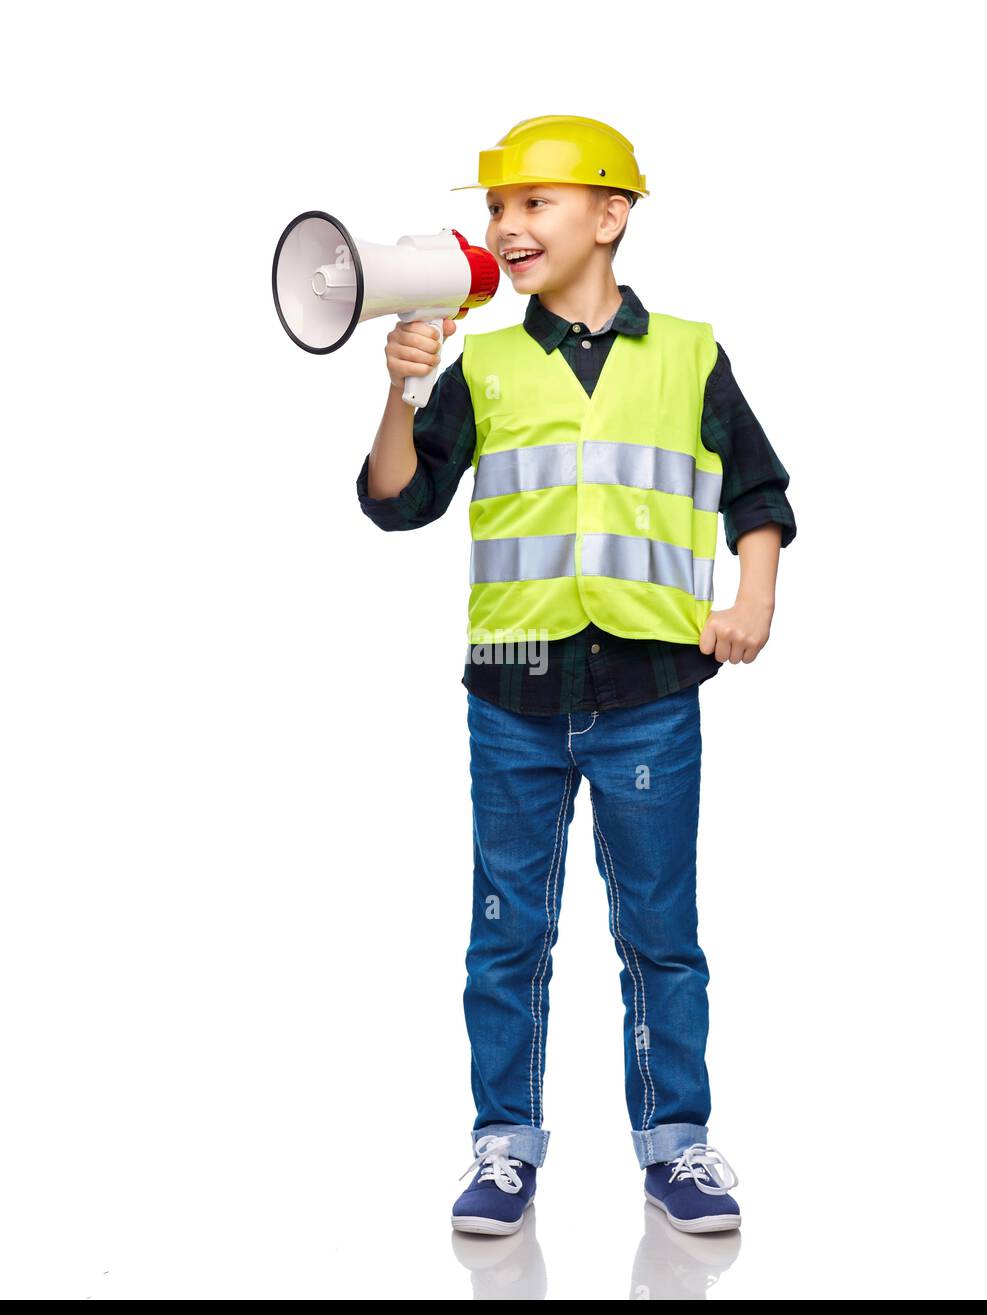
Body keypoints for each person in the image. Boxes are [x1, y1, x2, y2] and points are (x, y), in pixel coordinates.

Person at [356, 116, 796, 1236]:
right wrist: (403, 389)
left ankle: (677, 1146)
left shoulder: (691, 351)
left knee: (660, 931)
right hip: (510, 692)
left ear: (611, 216)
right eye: (498, 207)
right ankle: (503, 1146)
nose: (506, 225)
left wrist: (753, 603)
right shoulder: (485, 358)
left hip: (650, 691)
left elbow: (758, 496)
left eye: (534, 203)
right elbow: (398, 501)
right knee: (507, 932)